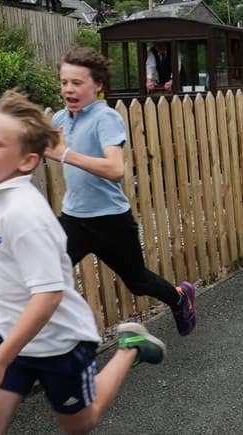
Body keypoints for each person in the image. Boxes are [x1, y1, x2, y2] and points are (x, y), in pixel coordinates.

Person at [0, 90, 166, 435]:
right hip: (9, 334)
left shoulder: (24, 214)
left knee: (80, 423)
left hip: (60, 343)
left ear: (27, 161)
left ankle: (129, 349)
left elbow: (48, 296)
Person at [46, 47, 197, 336]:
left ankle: (180, 298)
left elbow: (115, 169)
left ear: (98, 85)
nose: (69, 89)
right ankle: (53, 345)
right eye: (64, 82)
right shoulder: (60, 120)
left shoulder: (105, 118)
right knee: (46, 275)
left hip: (110, 221)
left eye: (77, 83)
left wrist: (65, 154)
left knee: (138, 282)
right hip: (73, 219)